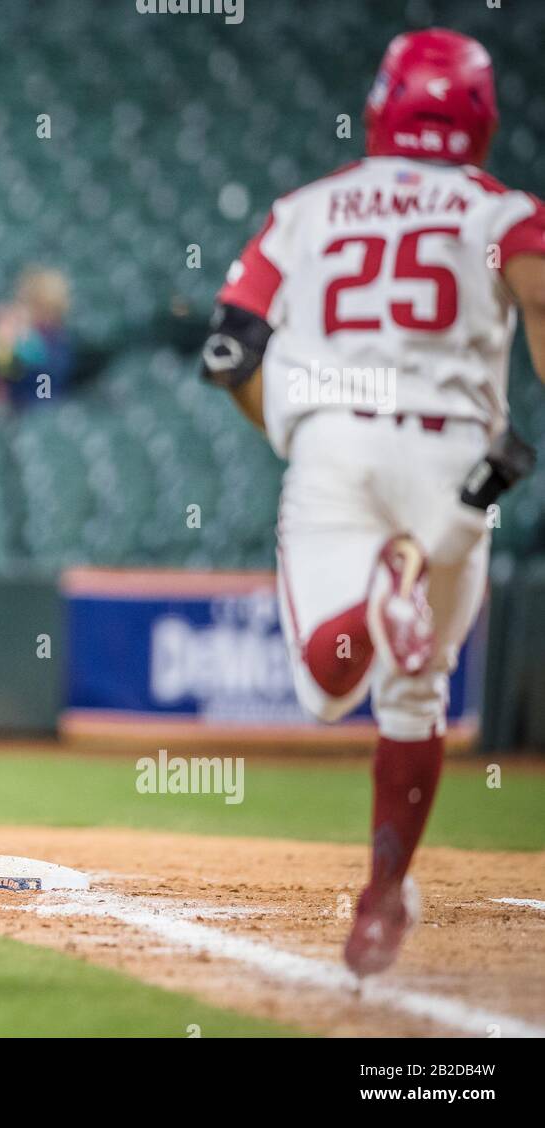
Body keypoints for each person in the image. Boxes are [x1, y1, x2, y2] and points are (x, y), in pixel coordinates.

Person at [201, 28, 545, 978]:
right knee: (417, 690)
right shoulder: (503, 209)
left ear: (387, 103)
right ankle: (382, 897)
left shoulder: (309, 207)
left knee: (327, 687)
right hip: (457, 460)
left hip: (335, 444)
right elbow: (542, 302)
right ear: (480, 117)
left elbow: (228, 348)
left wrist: (291, 429)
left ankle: (376, 598)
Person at [0, 267, 76, 409]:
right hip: (24, 406)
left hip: (37, 410)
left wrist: (7, 337)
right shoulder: (42, 336)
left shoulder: (50, 341)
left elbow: (44, 390)